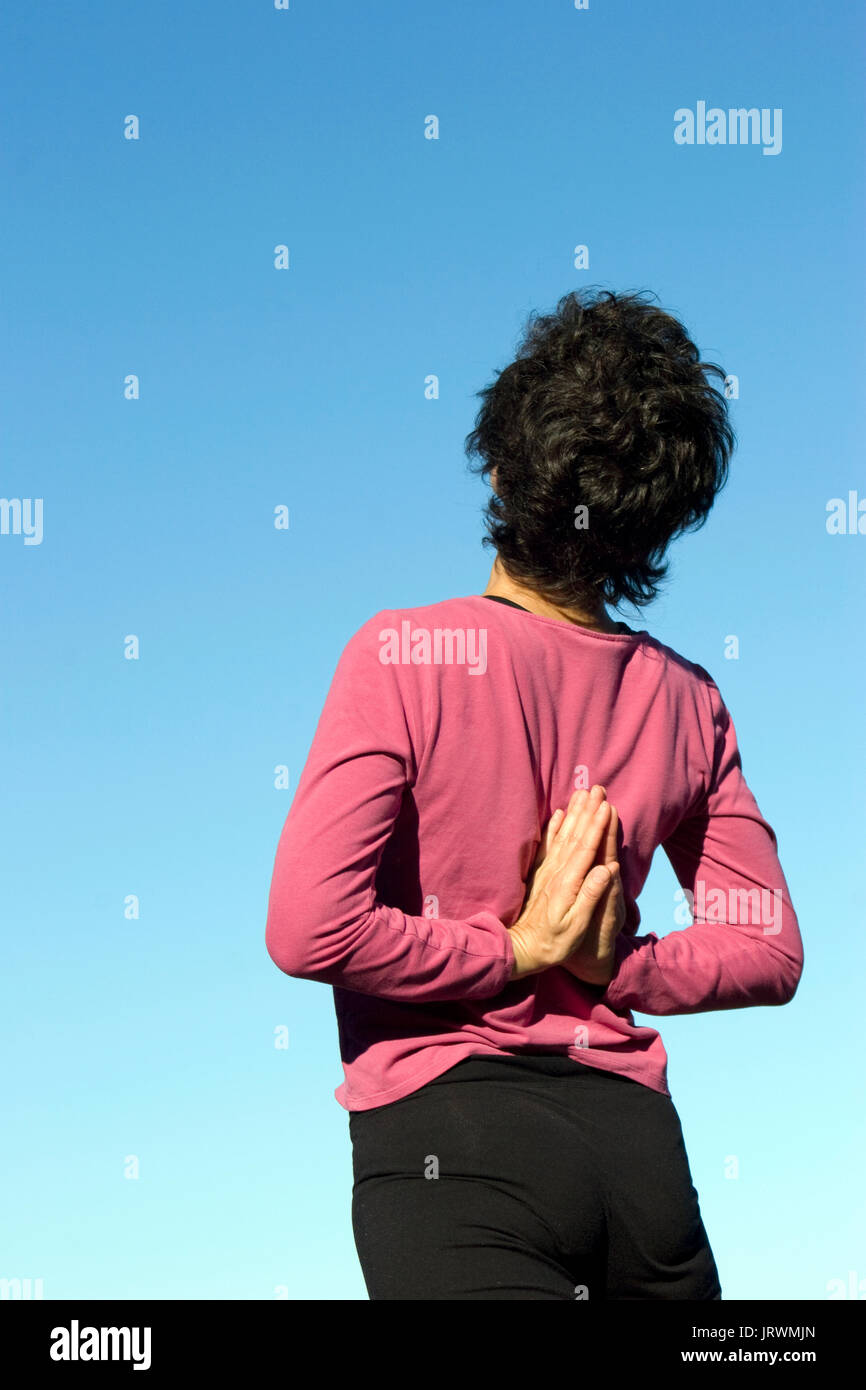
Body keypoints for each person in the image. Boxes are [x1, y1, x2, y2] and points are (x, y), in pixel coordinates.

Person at [264, 287, 803, 1300]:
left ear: (501, 466)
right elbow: (767, 950)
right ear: (657, 521)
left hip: (449, 1149)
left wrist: (518, 948)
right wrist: (620, 967)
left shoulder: (398, 656)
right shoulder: (689, 700)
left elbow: (307, 930)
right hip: (637, 1166)